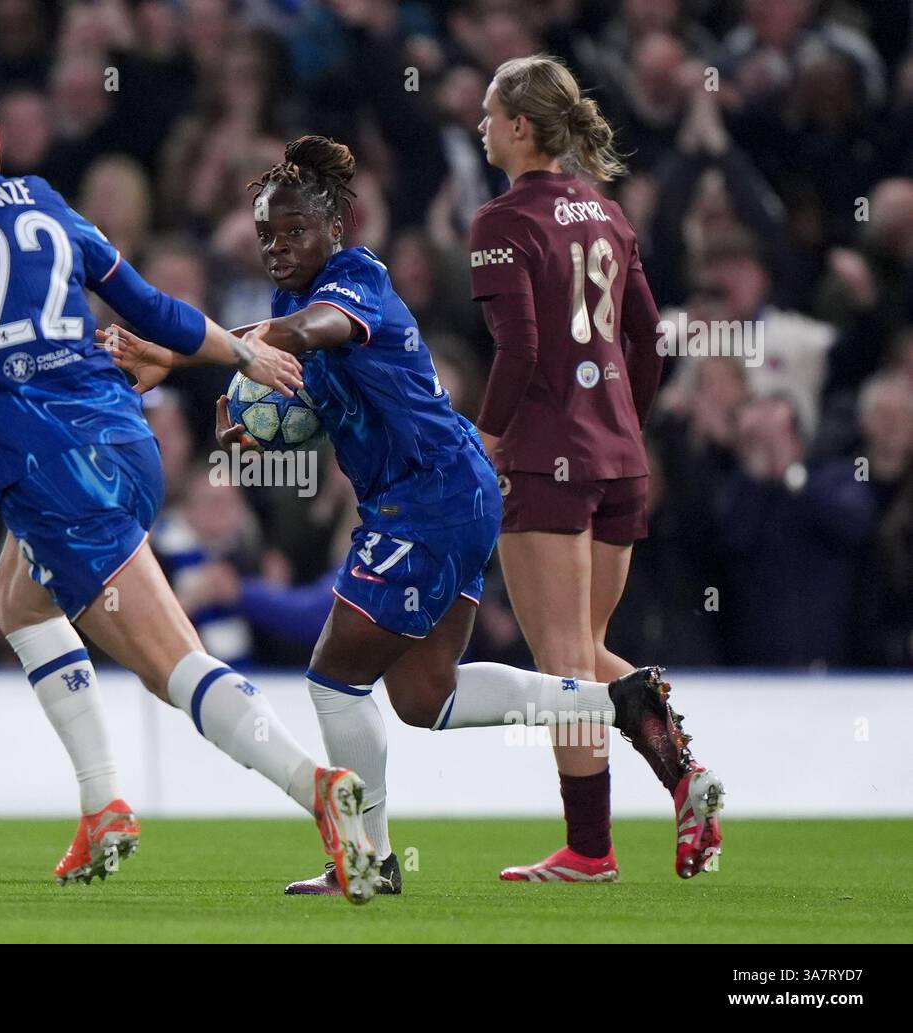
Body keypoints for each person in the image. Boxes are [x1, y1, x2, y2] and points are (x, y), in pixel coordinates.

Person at [0, 66, 380, 904]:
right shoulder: (41, 199)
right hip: (126, 438)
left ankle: (316, 789)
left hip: (54, 475)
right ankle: (103, 800)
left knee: (172, 665)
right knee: (21, 602)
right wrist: (241, 348)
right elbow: (147, 305)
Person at [109, 134, 703, 896]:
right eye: (265, 235)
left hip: (431, 498)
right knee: (427, 697)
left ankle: (369, 857)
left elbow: (306, 335)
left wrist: (192, 351)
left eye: (294, 231)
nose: (278, 246)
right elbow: (320, 389)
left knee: (333, 673)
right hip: (432, 497)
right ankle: (618, 699)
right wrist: (253, 409)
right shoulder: (289, 305)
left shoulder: (354, 282)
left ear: (334, 228)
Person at [468, 54, 723, 880]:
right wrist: (621, 423)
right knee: (583, 650)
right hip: (617, 456)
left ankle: (594, 844)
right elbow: (649, 339)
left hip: (547, 459)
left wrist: (490, 437)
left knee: (566, 667)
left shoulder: (504, 222)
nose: (478, 125)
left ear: (519, 126)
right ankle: (680, 776)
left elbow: (521, 348)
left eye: (488, 112)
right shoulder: (607, 213)